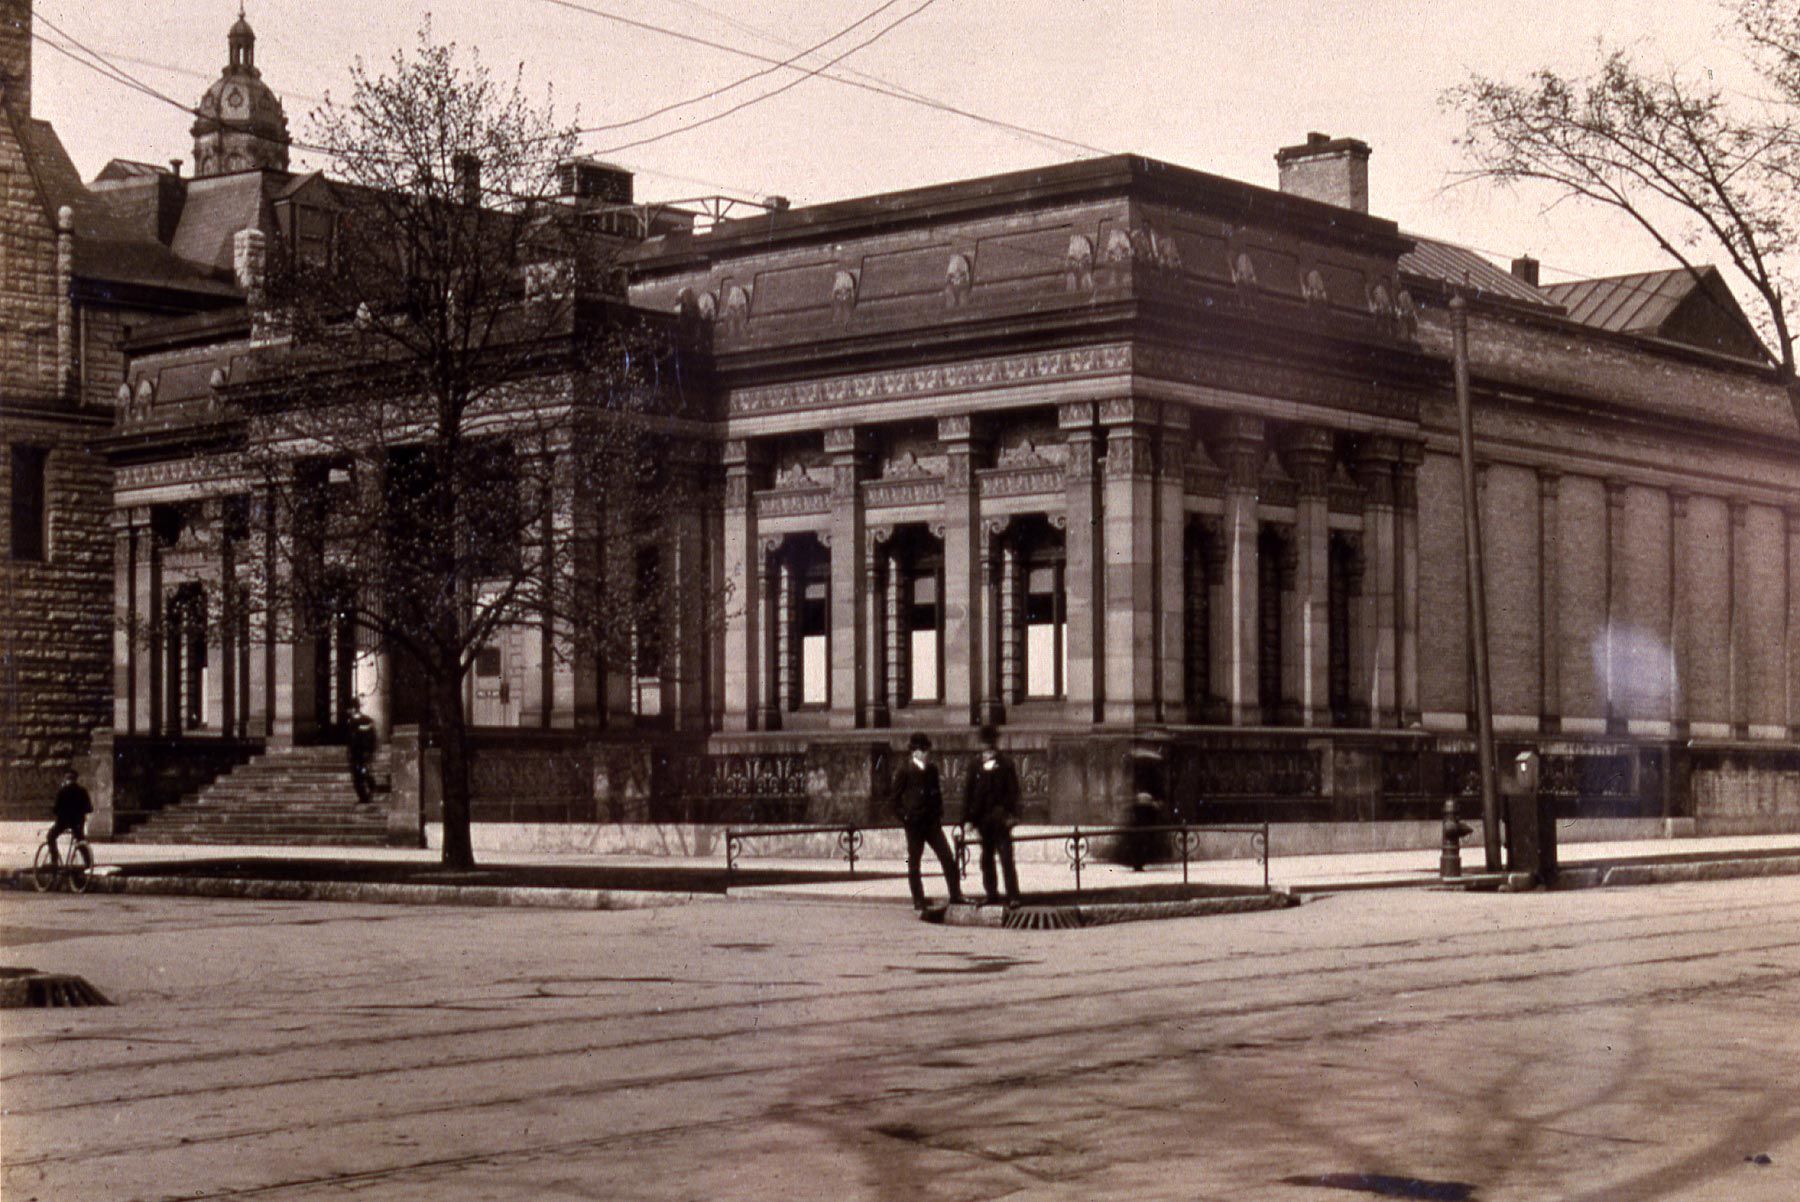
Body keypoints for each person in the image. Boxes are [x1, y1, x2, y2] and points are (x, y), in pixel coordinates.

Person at [889, 732, 964, 910]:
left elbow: (936, 794)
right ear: (914, 752)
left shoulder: (932, 770)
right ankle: (918, 899)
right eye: (922, 750)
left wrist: (938, 814)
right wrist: (906, 817)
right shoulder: (904, 771)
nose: (926, 753)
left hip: (931, 823)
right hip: (914, 824)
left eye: (926, 749)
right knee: (914, 861)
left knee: (947, 856)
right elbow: (894, 801)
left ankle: (956, 894)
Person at [963, 724, 1021, 906]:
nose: (987, 752)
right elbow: (968, 794)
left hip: (1000, 820)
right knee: (986, 859)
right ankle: (991, 893)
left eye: (990, 748)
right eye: (985, 748)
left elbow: (1013, 793)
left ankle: (1013, 896)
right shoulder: (975, 766)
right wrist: (967, 820)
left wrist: (1010, 815)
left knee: (1006, 858)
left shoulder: (1005, 765)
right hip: (982, 820)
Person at [47, 768, 92, 863]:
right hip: (77, 822)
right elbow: (89, 808)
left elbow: (55, 809)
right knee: (80, 841)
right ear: (76, 779)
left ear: (66, 779)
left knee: (50, 836)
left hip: (63, 822)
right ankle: (88, 864)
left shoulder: (62, 792)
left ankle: (54, 860)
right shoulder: (82, 791)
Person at [347, 699, 377, 805]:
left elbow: (371, 738)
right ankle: (363, 797)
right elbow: (350, 740)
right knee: (357, 776)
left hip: (363, 753)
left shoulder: (366, 721)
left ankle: (371, 787)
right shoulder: (351, 722)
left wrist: (369, 752)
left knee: (363, 773)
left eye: (350, 708)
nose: (349, 711)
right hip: (355, 754)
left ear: (354, 708)